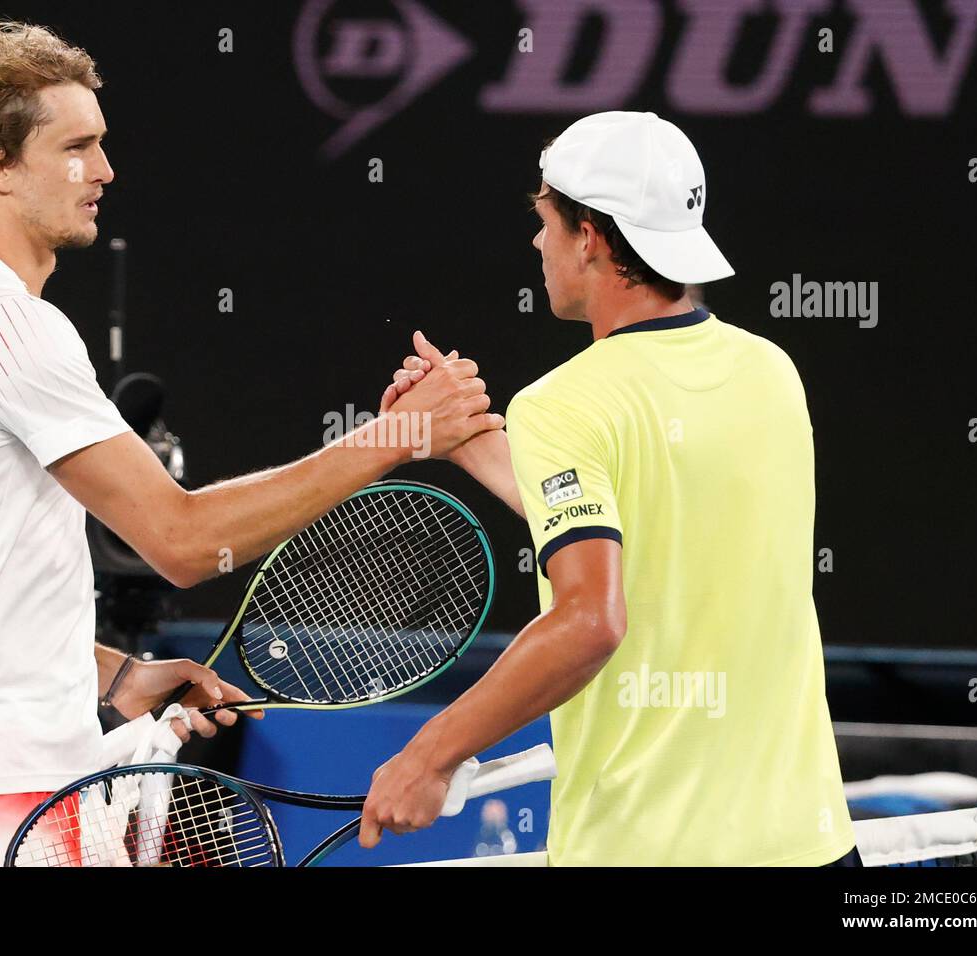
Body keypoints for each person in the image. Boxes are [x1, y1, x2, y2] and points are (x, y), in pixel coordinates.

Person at [0, 20, 501, 866]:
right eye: (76, 147)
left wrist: (117, 676)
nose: (104, 171)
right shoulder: (5, 326)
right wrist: (401, 435)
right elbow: (183, 540)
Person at [362, 111, 856, 866]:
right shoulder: (771, 372)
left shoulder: (563, 403)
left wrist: (429, 756)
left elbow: (593, 616)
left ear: (589, 236)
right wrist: (470, 442)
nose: (537, 243)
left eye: (547, 222)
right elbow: (644, 530)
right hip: (809, 846)